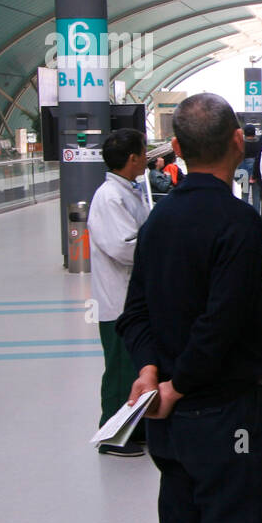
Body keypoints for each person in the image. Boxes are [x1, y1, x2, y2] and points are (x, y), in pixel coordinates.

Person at [117, 93, 262, 523]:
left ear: (175, 148)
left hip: (170, 422)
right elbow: (221, 324)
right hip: (229, 415)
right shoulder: (238, 223)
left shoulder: (158, 219)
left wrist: (151, 372)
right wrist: (180, 383)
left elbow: (134, 312)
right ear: (239, 140)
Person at [87, 128, 150, 457]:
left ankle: (135, 428)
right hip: (118, 301)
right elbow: (122, 246)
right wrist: (160, 247)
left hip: (132, 299)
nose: (146, 156)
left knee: (137, 366)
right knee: (120, 370)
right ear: (132, 158)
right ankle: (112, 435)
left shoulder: (128, 190)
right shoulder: (108, 197)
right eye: (143, 151)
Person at [239, 123, 259, 206]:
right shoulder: (259, 143)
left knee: (245, 195)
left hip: (244, 173)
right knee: (256, 196)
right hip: (257, 173)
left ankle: (244, 216)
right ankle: (256, 216)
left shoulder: (242, 144)